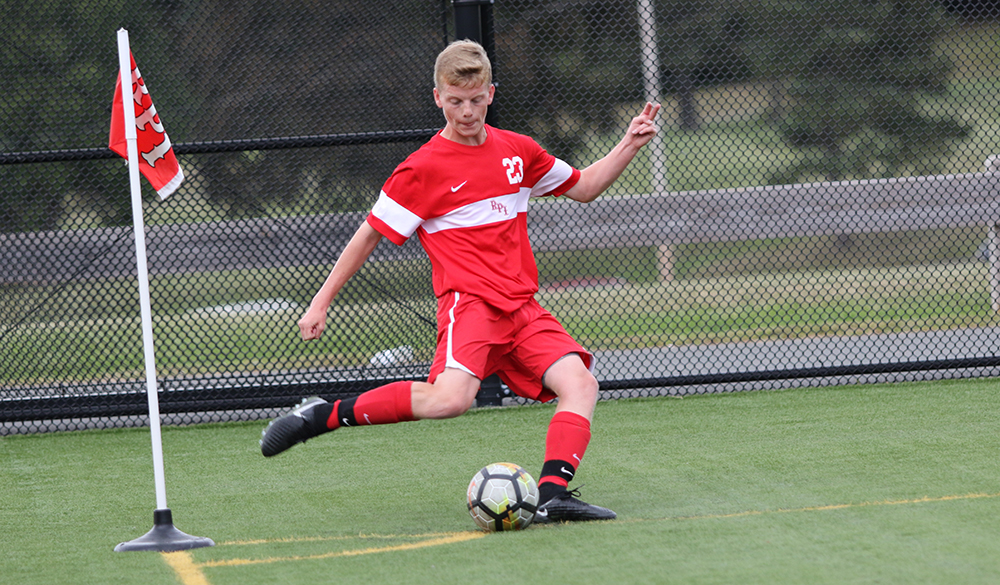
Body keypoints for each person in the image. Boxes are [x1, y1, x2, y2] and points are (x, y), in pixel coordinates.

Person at [260, 40, 660, 523]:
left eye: (474, 100)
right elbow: (368, 235)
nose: (466, 112)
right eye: (455, 101)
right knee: (450, 401)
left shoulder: (518, 151)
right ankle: (321, 415)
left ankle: (553, 495)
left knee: (580, 383)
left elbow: (586, 186)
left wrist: (629, 143)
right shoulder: (422, 168)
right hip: (469, 306)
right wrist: (320, 302)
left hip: (522, 307)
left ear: (490, 93)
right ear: (438, 98)